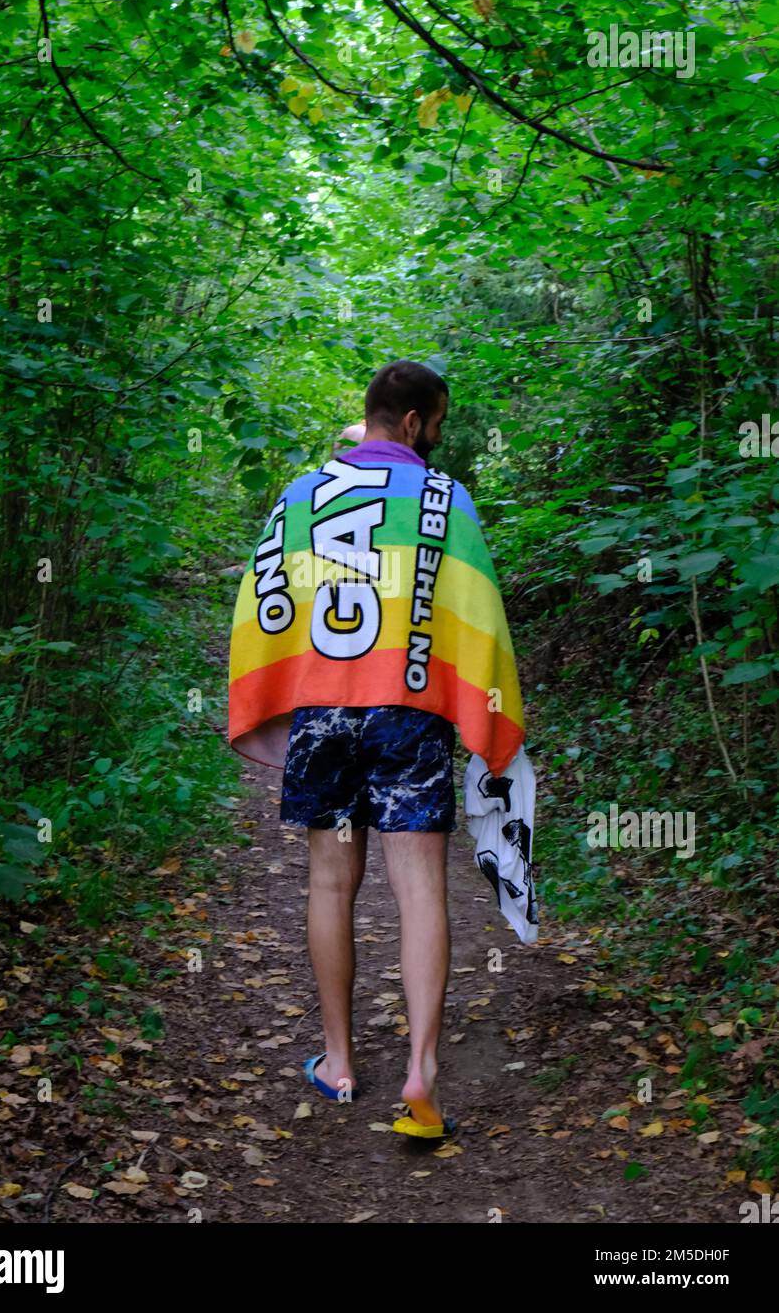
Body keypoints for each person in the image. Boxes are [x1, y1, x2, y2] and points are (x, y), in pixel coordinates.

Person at [228, 360, 524, 1137]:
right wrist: (482, 710)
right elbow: (477, 610)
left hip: (326, 712)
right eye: (441, 425)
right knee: (420, 887)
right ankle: (422, 1075)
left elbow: (264, 601)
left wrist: (280, 702)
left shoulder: (300, 494)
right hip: (410, 711)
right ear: (418, 422)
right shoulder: (442, 498)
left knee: (331, 885)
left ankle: (339, 1064)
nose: (440, 439)